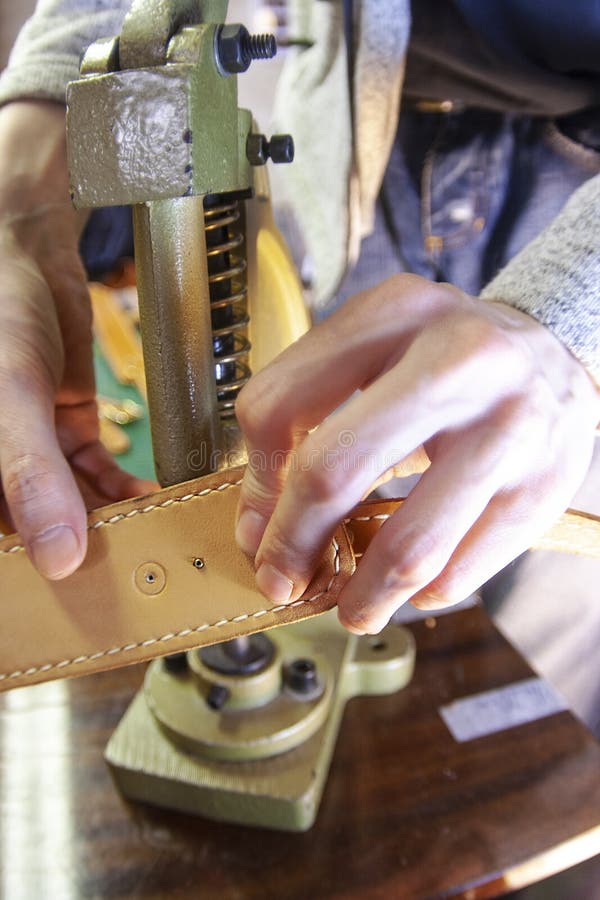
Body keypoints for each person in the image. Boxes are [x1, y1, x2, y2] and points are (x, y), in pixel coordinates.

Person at [0, 1, 598, 641]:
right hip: (363, 147)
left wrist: (569, 318)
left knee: (488, 549)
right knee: (333, 513)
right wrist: (22, 191)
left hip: (575, 185)